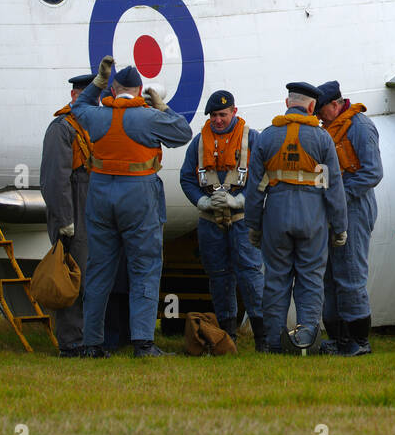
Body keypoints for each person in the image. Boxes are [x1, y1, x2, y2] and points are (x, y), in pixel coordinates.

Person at [73, 57, 192, 358]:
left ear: (113, 89)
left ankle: (92, 343)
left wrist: (97, 84)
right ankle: (142, 343)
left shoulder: (97, 115)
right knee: (145, 266)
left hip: (100, 194)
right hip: (139, 196)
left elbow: (77, 108)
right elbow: (182, 132)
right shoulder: (148, 117)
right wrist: (161, 105)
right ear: (140, 91)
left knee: (99, 270)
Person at [248, 82, 347, 354]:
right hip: (312, 216)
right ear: (312, 107)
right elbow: (334, 185)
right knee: (311, 278)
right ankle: (306, 342)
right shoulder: (322, 138)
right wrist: (339, 227)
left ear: (287, 102)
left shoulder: (266, 137)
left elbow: (255, 188)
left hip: (276, 216)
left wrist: (254, 225)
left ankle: (272, 342)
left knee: (276, 279)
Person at [179, 90, 265, 349]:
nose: (217, 120)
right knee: (218, 276)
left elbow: (263, 177)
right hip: (210, 221)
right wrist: (200, 200)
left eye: (223, 115)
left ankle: (263, 336)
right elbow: (186, 178)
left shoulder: (253, 140)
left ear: (234, 112)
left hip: (242, 219)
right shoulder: (199, 142)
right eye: (214, 115)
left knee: (250, 274)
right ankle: (227, 335)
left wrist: (241, 200)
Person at [315, 80, 383, 356]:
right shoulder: (329, 128)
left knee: (350, 274)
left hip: (353, 208)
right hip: (333, 209)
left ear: (335, 104)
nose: (318, 115)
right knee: (330, 276)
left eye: (321, 110)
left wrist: (339, 198)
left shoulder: (360, 127)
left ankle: (358, 341)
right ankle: (338, 338)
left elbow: (372, 173)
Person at [39, 72, 96, 357]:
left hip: (93, 211)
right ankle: (72, 345)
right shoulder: (62, 129)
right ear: (75, 97)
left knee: (91, 280)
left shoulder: (93, 127)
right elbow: (53, 179)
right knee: (72, 279)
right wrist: (65, 221)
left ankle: (90, 340)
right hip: (73, 209)